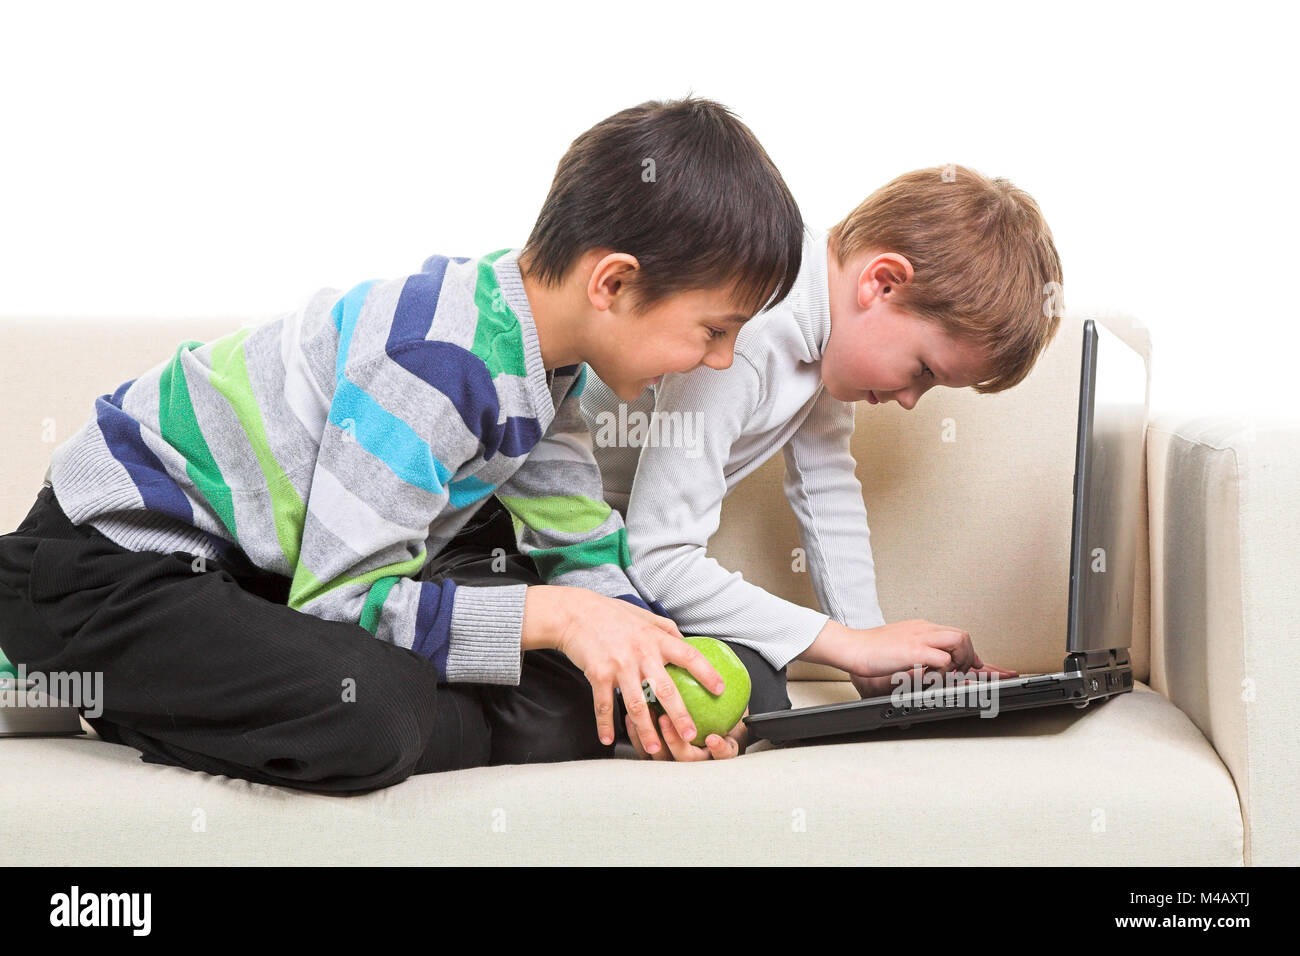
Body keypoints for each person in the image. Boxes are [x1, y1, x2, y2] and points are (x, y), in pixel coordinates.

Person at [0, 96, 804, 793]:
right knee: (374, 713)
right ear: (614, 284)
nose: (723, 360)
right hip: (113, 566)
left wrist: (649, 680)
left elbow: (583, 552)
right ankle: (88, 677)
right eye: (715, 329)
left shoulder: (548, 369)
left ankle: (343, 700)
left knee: (750, 680)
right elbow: (343, 601)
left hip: (262, 580)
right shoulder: (435, 362)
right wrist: (558, 620)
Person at [579, 165, 1065, 760]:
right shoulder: (747, 333)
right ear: (882, 283)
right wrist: (847, 645)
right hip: (552, 544)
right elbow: (658, 557)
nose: (910, 402)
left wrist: (872, 656)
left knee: (756, 686)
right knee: (749, 688)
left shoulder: (826, 339)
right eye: (923, 372)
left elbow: (827, 489)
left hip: (627, 560)